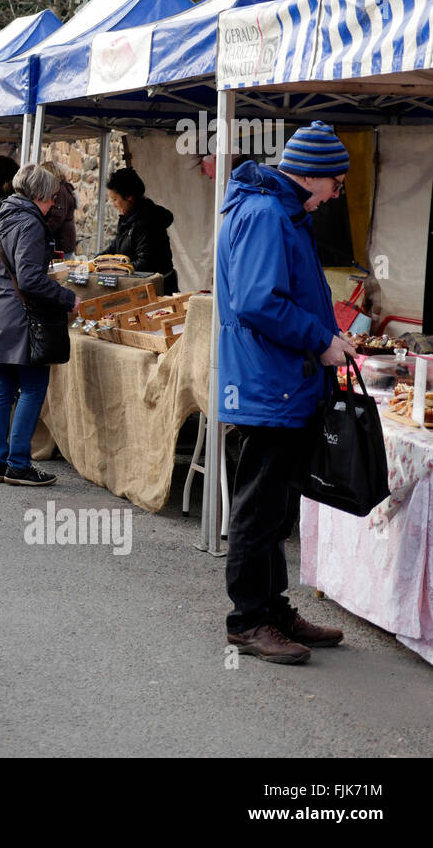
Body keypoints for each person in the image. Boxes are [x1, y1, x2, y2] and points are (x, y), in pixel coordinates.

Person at [217, 121, 355, 665]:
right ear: (313, 176)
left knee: (274, 505)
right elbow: (258, 302)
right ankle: (247, 621)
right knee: (258, 507)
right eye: (336, 184)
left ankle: (272, 609)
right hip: (269, 384)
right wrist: (320, 339)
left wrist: (325, 335)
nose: (337, 195)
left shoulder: (281, 211)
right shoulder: (267, 213)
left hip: (281, 382)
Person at [0, 164, 79, 486]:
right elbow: (31, 279)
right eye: (49, 199)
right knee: (32, 388)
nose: (51, 206)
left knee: (2, 389)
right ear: (38, 196)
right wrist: (67, 298)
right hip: (22, 318)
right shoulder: (30, 224)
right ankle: (18, 464)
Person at [103, 167, 177, 295]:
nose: (113, 204)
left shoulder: (148, 220)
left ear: (129, 197)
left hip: (156, 289)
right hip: (137, 287)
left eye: (115, 199)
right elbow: (115, 247)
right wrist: (97, 261)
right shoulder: (127, 219)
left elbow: (145, 262)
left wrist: (117, 270)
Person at [41, 160, 78, 255]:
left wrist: (41, 233)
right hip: (63, 241)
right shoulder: (64, 188)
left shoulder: (60, 190)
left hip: (60, 243)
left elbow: (57, 217)